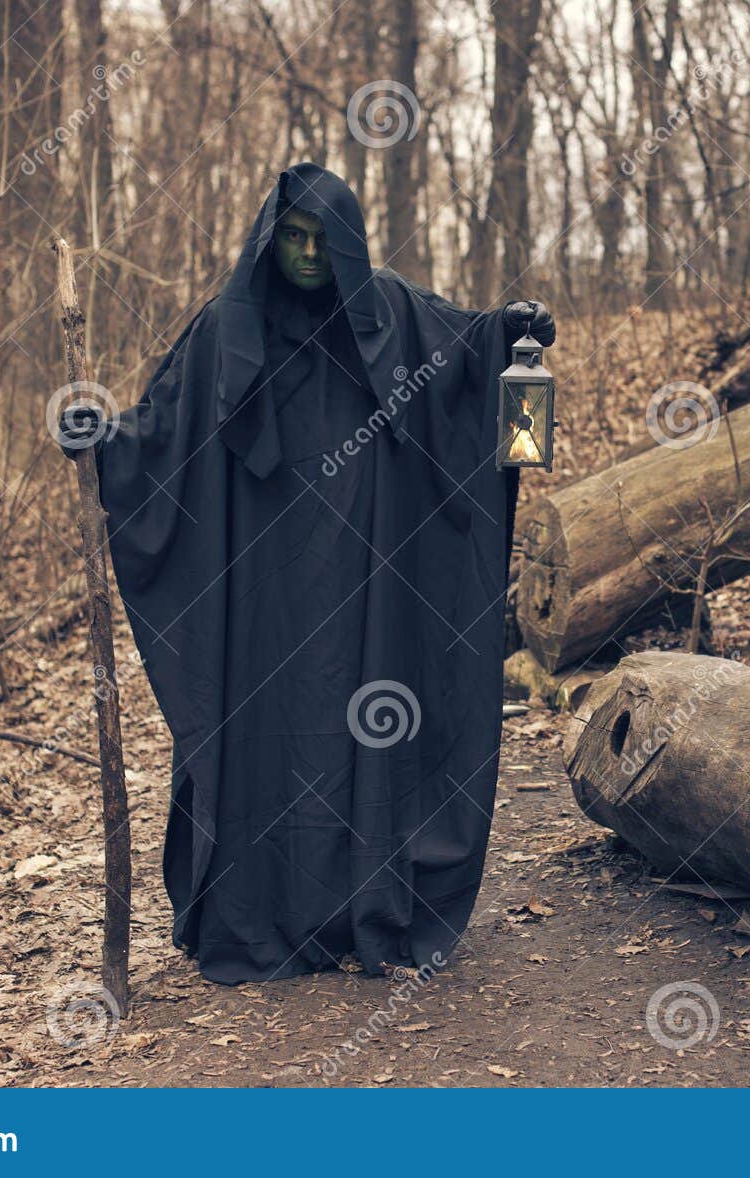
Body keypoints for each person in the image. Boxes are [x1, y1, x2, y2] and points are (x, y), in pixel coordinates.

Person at [57, 162, 555, 983]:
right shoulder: (225, 330)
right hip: (259, 591)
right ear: (269, 239)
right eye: (292, 236)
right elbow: (163, 435)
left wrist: (515, 332)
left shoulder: (392, 314)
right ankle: (261, 911)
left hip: (374, 576)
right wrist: (101, 439)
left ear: (348, 243)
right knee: (263, 729)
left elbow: (464, 351)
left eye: (323, 238)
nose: (308, 253)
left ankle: (371, 903)